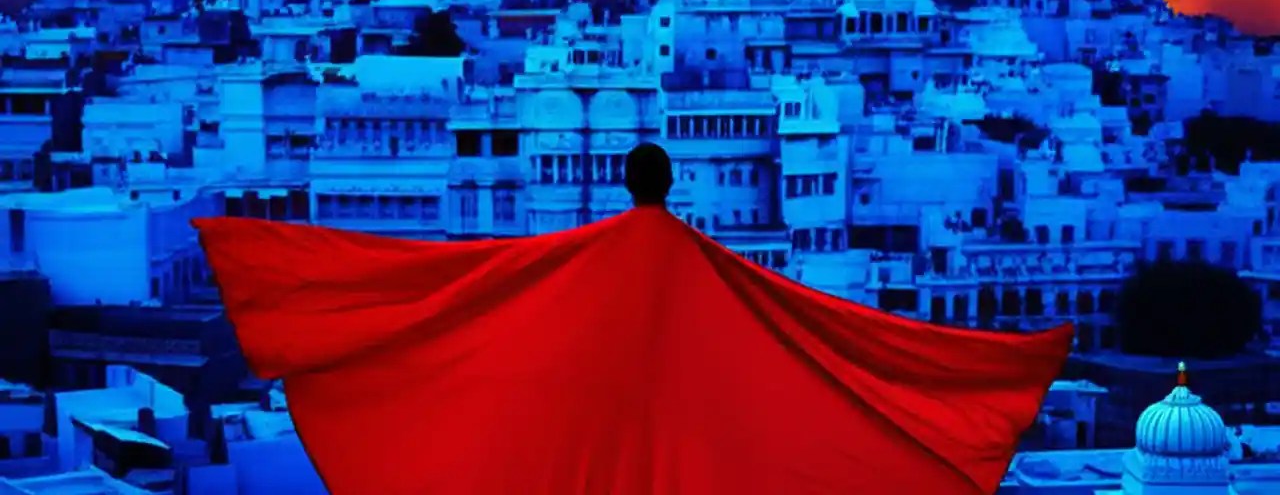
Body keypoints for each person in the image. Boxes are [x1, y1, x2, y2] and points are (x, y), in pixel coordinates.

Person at [193, 142, 1073, 495]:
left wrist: (284, 284)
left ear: (626, 183)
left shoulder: (570, 258)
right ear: (670, 185)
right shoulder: (721, 271)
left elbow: (442, 286)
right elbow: (831, 336)